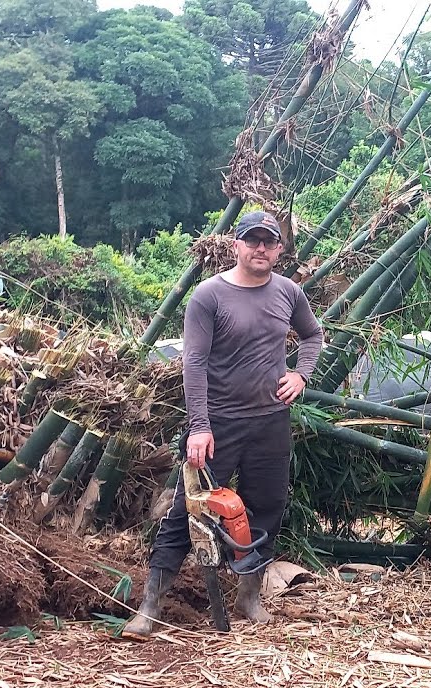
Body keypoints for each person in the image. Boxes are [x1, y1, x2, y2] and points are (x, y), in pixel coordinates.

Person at [121, 210, 324, 639]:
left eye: (269, 241)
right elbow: (193, 362)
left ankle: (249, 597)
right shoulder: (208, 296)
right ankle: (150, 606)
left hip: (270, 422)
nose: (261, 248)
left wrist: (300, 374)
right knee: (186, 511)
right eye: (252, 241)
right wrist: (199, 426)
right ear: (236, 246)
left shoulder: (288, 292)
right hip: (219, 424)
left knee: (265, 506)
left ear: (279, 249)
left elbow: (313, 335)